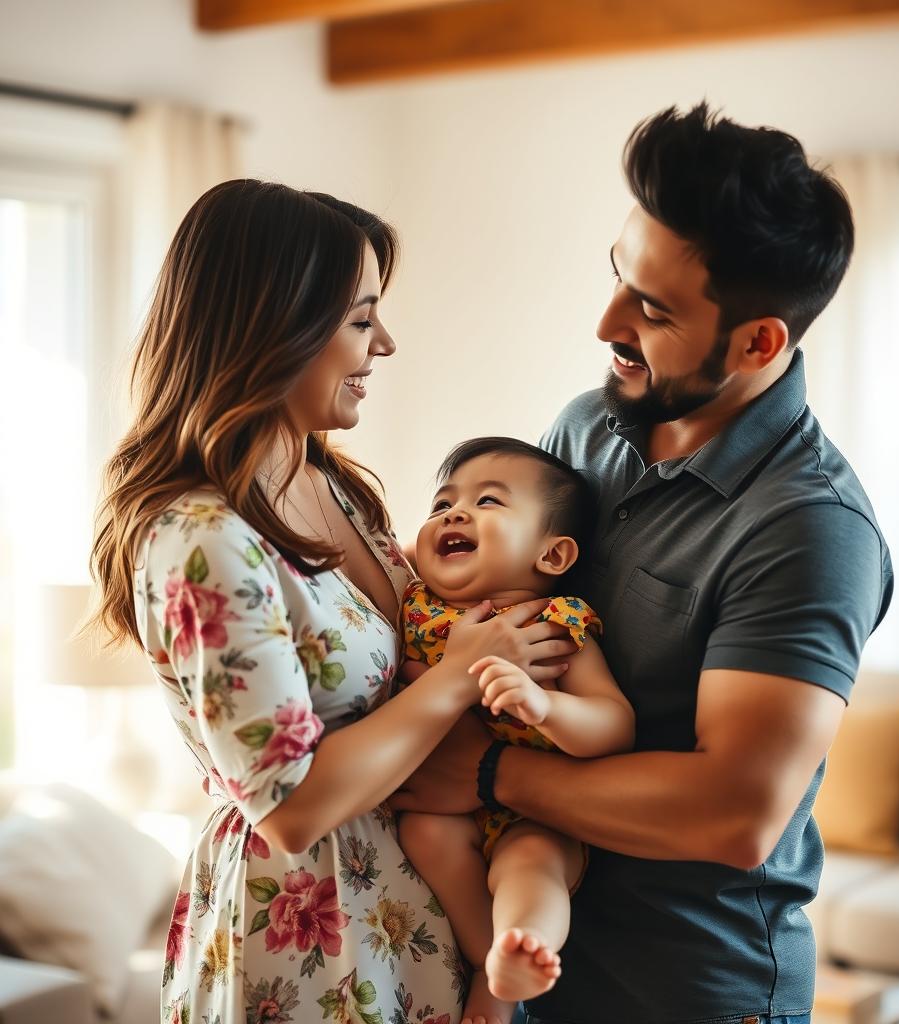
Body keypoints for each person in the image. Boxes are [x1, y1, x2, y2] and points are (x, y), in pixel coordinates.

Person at [391, 102, 894, 1024]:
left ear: (759, 341)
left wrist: (491, 776)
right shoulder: (587, 427)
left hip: (686, 993)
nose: (605, 323)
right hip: (525, 972)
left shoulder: (811, 527)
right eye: (618, 275)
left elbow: (737, 813)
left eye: (651, 310)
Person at [88, 180, 579, 1024]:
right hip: (307, 935)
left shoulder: (336, 487)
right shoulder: (201, 535)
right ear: (277, 327)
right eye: (360, 320)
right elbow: (291, 807)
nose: (384, 344)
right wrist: (457, 676)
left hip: (412, 917)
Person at [397, 437, 635, 1024]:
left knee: (532, 865)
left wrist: (546, 707)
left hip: (538, 813)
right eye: (442, 505)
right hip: (441, 807)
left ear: (551, 556)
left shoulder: (554, 625)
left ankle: (522, 948)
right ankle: (490, 960)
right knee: (424, 833)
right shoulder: (414, 604)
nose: (454, 514)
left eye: (488, 501)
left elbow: (614, 725)